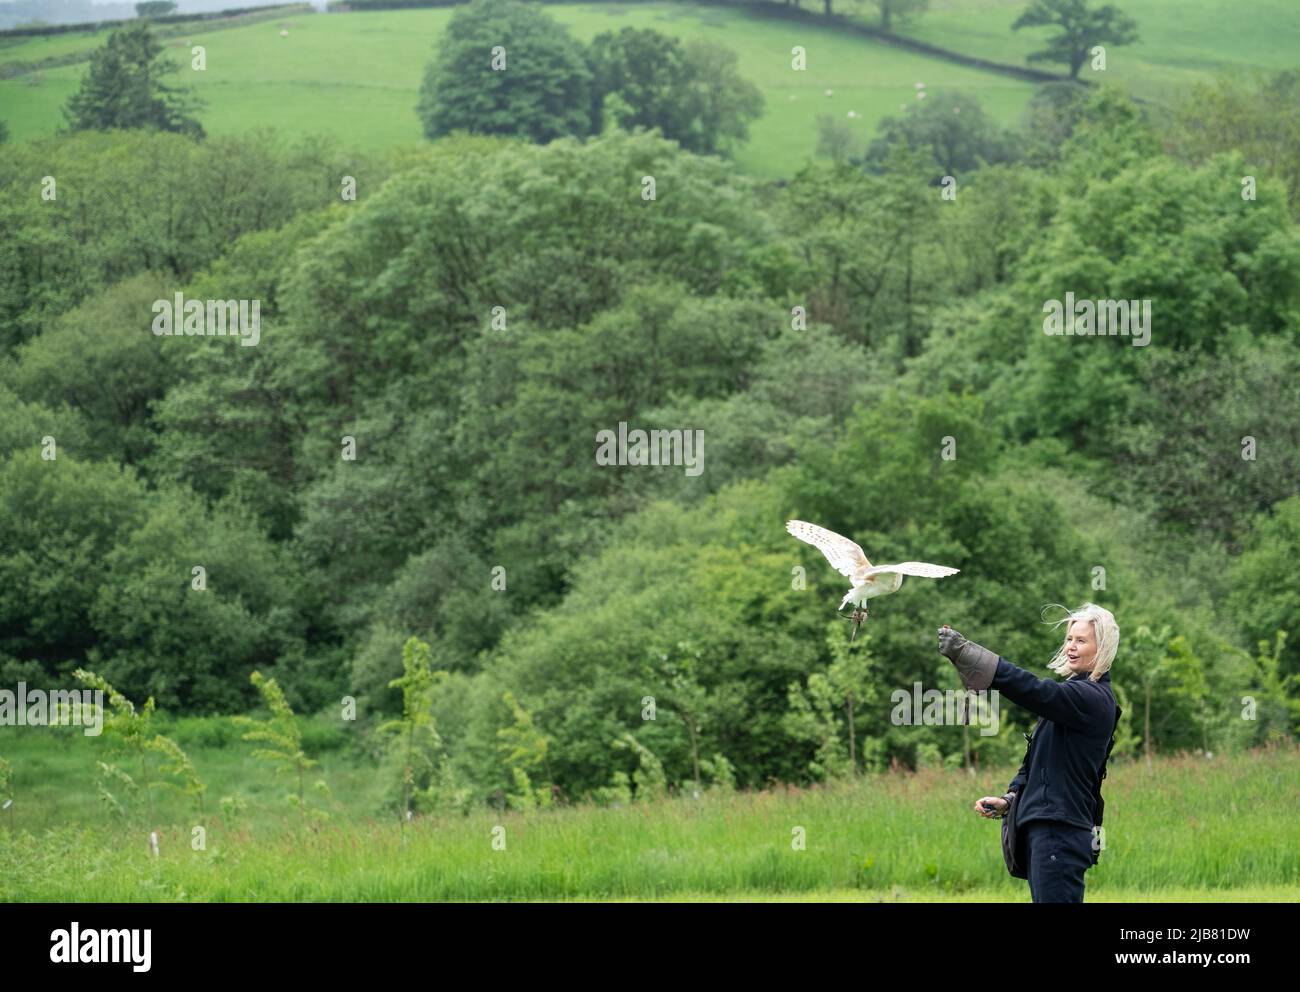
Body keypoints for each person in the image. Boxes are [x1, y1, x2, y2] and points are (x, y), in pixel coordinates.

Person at [937, 603, 1119, 903]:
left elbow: (1036, 691)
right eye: (1069, 639)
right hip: (1048, 829)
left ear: (1104, 648)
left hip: (1060, 832)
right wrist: (1010, 799)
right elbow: (1041, 761)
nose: (1071, 647)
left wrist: (979, 660)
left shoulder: (1091, 698)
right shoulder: (1073, 699)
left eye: (1081, 640)